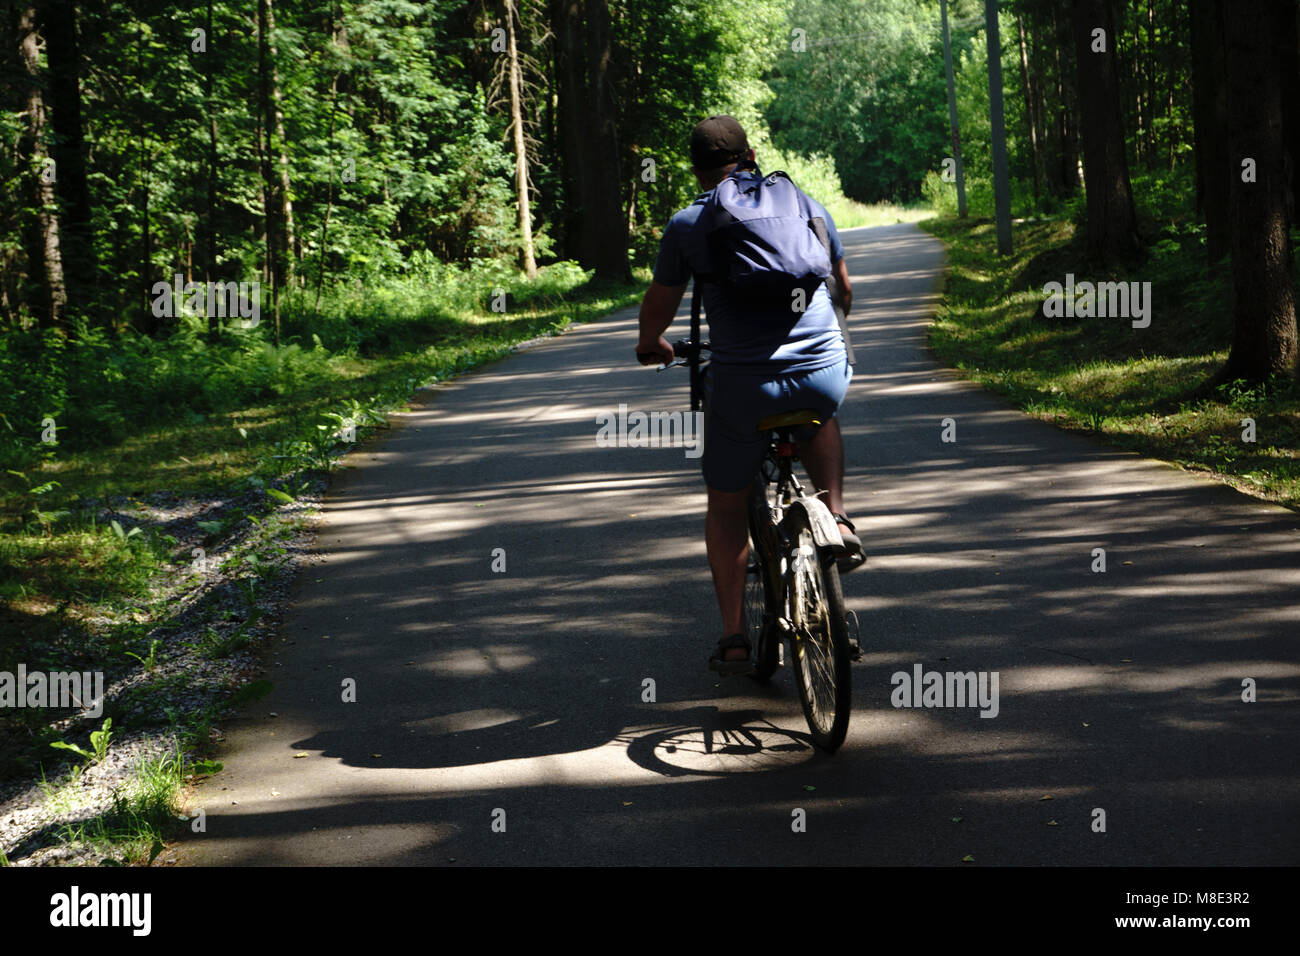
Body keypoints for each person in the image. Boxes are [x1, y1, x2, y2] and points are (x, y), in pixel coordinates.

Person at [635, 115, 863, 672]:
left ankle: (735, 637)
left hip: (743, 385)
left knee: (727, 503)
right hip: (823, 371)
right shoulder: (804, 203)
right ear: (752, 154)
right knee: (817, 413)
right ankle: (835, 518)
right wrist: (826, 341)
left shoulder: (690, 222)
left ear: (695, 168)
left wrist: (651, 344)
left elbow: (660, 306)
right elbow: (844, 288)